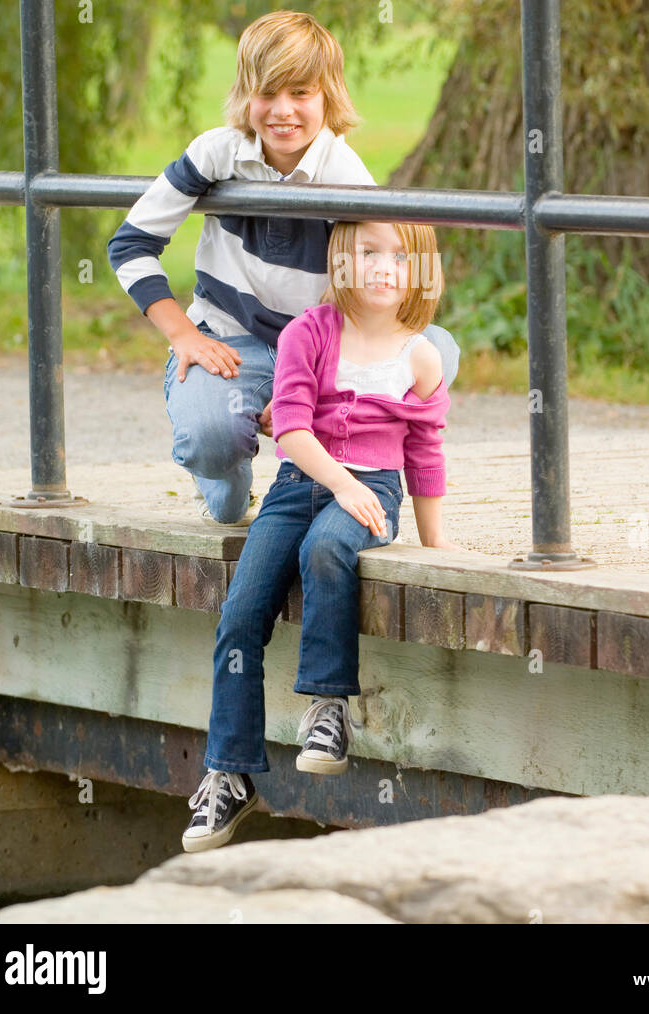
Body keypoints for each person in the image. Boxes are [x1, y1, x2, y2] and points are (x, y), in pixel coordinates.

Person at [106, 9, 459, 525]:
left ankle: (354, 454)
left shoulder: (344, 177)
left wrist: (311, 384)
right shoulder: (215, 153)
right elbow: (131, 243)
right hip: (231, 337)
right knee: (212, 440)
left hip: (320, 345)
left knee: (439, 349)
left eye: (300, 93)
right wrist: (183, 334)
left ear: (328, 98)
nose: (282, 111)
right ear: (244, 94)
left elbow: (379, 276)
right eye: (266, 93)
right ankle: (227, 492)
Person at [181, 217, 463, 852]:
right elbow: (290, 429)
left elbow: (425, 451)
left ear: (420, 270)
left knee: (327, 547)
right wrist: (340, 483)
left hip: (374, 492)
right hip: (298, 485)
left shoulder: (419, 354)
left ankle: (328, 707)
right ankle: (229, 772)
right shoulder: (310, 332)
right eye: (368, 252)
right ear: (340, 260)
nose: (384, 266)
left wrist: (434, 537)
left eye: (399, 256)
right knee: (241, 613)